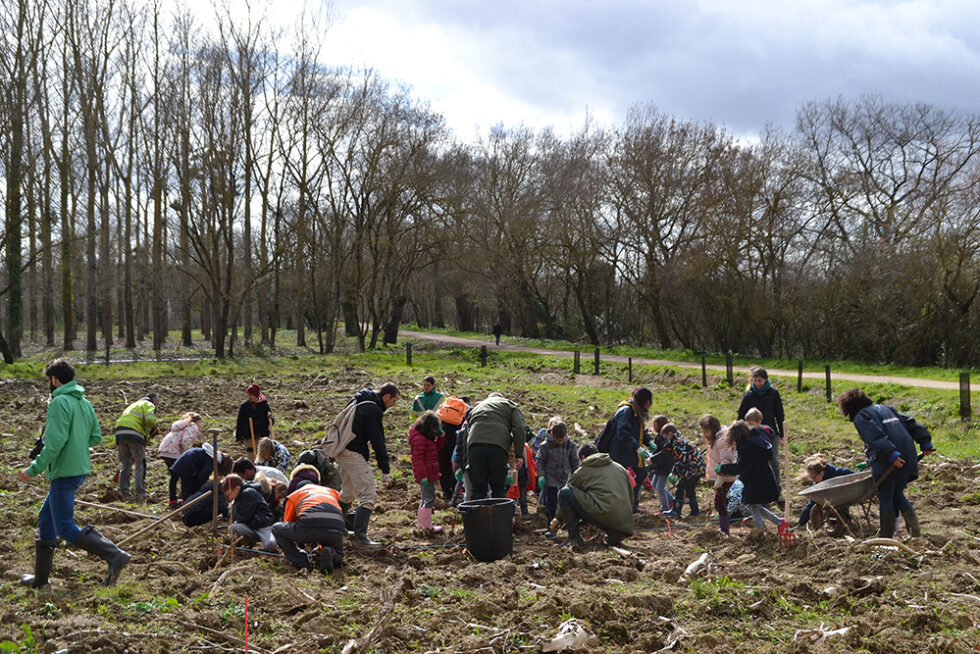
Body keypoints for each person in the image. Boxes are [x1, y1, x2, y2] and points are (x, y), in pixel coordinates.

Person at [19, 358, 131, 588]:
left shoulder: (59, 403)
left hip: (65, 471)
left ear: (55, 379)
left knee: (64, 526)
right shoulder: (84, 403)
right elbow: (96, 437)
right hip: (78, 469)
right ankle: (41, 579)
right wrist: (76, 444)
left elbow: (55, 442)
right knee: (46, 518)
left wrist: (33, 469)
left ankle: (114, 555)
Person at [836, 388, 934, 538]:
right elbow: (910, 423)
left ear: (848, 407)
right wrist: (925, 441)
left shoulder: (861, 416)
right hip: (908, 455)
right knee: (898, 494)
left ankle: (886, 537)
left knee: (886, 494)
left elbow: (874, 436)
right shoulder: (887, 409)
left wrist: (891, 454)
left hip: (890, 459)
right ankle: (915, 534)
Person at [337, 382, 399, 546]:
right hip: (352, 452)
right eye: (394, 401)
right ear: (386, 396)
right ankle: (360, 537)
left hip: (341, 450)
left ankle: (339, 528)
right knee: (368, 492)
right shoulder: (373, 410)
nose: (393, 405)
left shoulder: (360, 399)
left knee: (348, 491)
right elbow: (378, 441)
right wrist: (385, 469)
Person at [557, 443, 634, 547]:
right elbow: (630, 495)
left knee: (564, 492)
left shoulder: (583, 470)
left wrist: (558, 518)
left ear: (583, 458)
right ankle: (614, 533)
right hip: (625, 522)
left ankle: (574, 537)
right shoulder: (619, 467)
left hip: (605, 514)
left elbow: (568, 492)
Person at [273, 466, 346, 573]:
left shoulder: (295, 495)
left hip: (310, 524)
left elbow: (288, 522)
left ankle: (301, 562)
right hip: (337, 526)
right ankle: (331, 553)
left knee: (277, 529)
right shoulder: (331, 491)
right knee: (338, 553)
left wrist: (298, 545)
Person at [717, 420, 781, 534]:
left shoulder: (746, 446)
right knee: (754, 506)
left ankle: (760, 530)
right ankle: (778, 523)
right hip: (761, 478)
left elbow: (742, 467)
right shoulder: (756, 439)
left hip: (756, 481)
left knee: (753, 505)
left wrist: (723, 468)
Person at [463, 393, 527, 500]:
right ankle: (498, 515)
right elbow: (519, 429)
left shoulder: (478, 407)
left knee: (478, 489)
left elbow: (467, 431)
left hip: (475, 445)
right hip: (498, 446)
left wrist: (467, 460)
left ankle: (476, 515)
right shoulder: (511, 406)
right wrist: (519, 454)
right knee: (498, 487)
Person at [737, 366, 784, 488]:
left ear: (765, 380)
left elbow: (779, 414)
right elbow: (741, 415)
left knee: (773, 460)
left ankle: (776, 487)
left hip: (770, 432)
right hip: (753, 434)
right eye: (755, 380)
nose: (757, 383)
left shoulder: (773, 394)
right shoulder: (749, 395)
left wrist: (782, 433)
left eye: (760, 381)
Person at [606, 388, 653, 506]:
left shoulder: (638, 412)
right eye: (649, 401)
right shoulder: (626, 411)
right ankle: (621, 505)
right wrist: (638, 448)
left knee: (641, 473)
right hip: (619, 451)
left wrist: (650, 442)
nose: (650, 404)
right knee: (620, 479)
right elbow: (623, 434)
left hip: (631, 451)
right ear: (643, 401)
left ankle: (633, 504)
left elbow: (641, 431)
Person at [536, 419, 579, 537]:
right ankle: (551, 528)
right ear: (552, 435)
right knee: (551, 504)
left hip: (565, 479)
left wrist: (576, 477)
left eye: (562, 439)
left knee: (565, 503)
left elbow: (575, 463)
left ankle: (568, 527)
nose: (560, 442)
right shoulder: (545, 446)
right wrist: (541, 476)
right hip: (550, 479)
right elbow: (540, 461)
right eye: (558, 439)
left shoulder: (571, 446)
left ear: (566, 435)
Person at [114, 392, 159, 499]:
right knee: (140, 464)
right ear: (154, 401)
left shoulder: (134, 404)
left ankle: (124, 492)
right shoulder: (148, 404)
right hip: (135, 435)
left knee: (126, 464)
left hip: (120, 434)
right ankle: (140, 493)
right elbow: (149, 419)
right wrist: (156, 426)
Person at [699, 414, 736, 534]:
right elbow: (713, 461)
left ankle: (725, 529)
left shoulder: (722, 442)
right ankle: (724, 526)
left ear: (713, 429)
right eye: (703, 431)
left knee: (720, 501)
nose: (705, 434)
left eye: (706, 431)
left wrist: (720, 478)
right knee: (719, 502)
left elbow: (725, 462)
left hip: (725, 478)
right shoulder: (713, 441)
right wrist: (711, 478)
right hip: (720, 477)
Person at [408, 411, 444, 533]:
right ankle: (427, 526)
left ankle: (422, 525)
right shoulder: (420, 439)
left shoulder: (426, 438)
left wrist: (441, 436)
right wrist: (423, 475)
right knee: (429, 498)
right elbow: (417, 459)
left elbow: (436, 449)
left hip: (429, 471)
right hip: (426, 473)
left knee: (425, 498)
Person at [797, 455, 854, 530]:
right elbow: (811, 503)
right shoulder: (818, 485)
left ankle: (845, 521)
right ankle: (838, 522)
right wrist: (802, 521)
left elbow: (854, 476)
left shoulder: (838, 473)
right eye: (811, 478)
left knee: (838, 503)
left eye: (814, 478)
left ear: (821, 473)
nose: (813, 481)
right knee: (828, 504)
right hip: (835, 500)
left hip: (847, 495)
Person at [660, 424, 706, 518]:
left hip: (692, 469)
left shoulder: (677, 444)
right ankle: (695, 510)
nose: (665, 439)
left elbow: (682, 460)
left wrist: (676, 472)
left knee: (680, 488)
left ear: (670, 434)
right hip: (698, 468)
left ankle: (676, 511)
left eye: (665, 436)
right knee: (690, 490)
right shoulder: (679, 441)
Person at [158, 413, 203, 506]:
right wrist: (189, 455)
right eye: (201, 422)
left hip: (165, 450)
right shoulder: (193, 426)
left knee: (174, 477)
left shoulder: (181, 425)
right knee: (185, 476)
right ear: (197, 421)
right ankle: (185, 500)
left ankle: (173, 500)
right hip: (174, 452)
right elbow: (186, 441)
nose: (202, 425)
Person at [231, 473, 278, 552]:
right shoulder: (239, 496)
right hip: (251, 526)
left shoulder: (249, 493)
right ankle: (249, 541)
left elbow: (243, 516)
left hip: (263, 525)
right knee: (232, 528)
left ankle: (274, 537)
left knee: (271, 545)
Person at [235, 384, 274, 455]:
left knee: (263, 455)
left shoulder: (264, 405)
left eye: (251, 394)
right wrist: (239, 437)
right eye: (248, 394)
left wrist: (270, 418)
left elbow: (271, 421)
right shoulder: (244, 406)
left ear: (256, 395)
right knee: (251, 455)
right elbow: (240, 422)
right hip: (249, 435)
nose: (249, 396)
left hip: (262, 436)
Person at [648, 415, 675, 514]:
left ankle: (665, 509)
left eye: (656, 425)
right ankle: (671, 500)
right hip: (658, 465)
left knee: (660, 487)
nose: (654, 427)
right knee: (654, 485)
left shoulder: (665, 439)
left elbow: (664, 453)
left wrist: (652, 458)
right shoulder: (659, 437)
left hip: (664, 466)